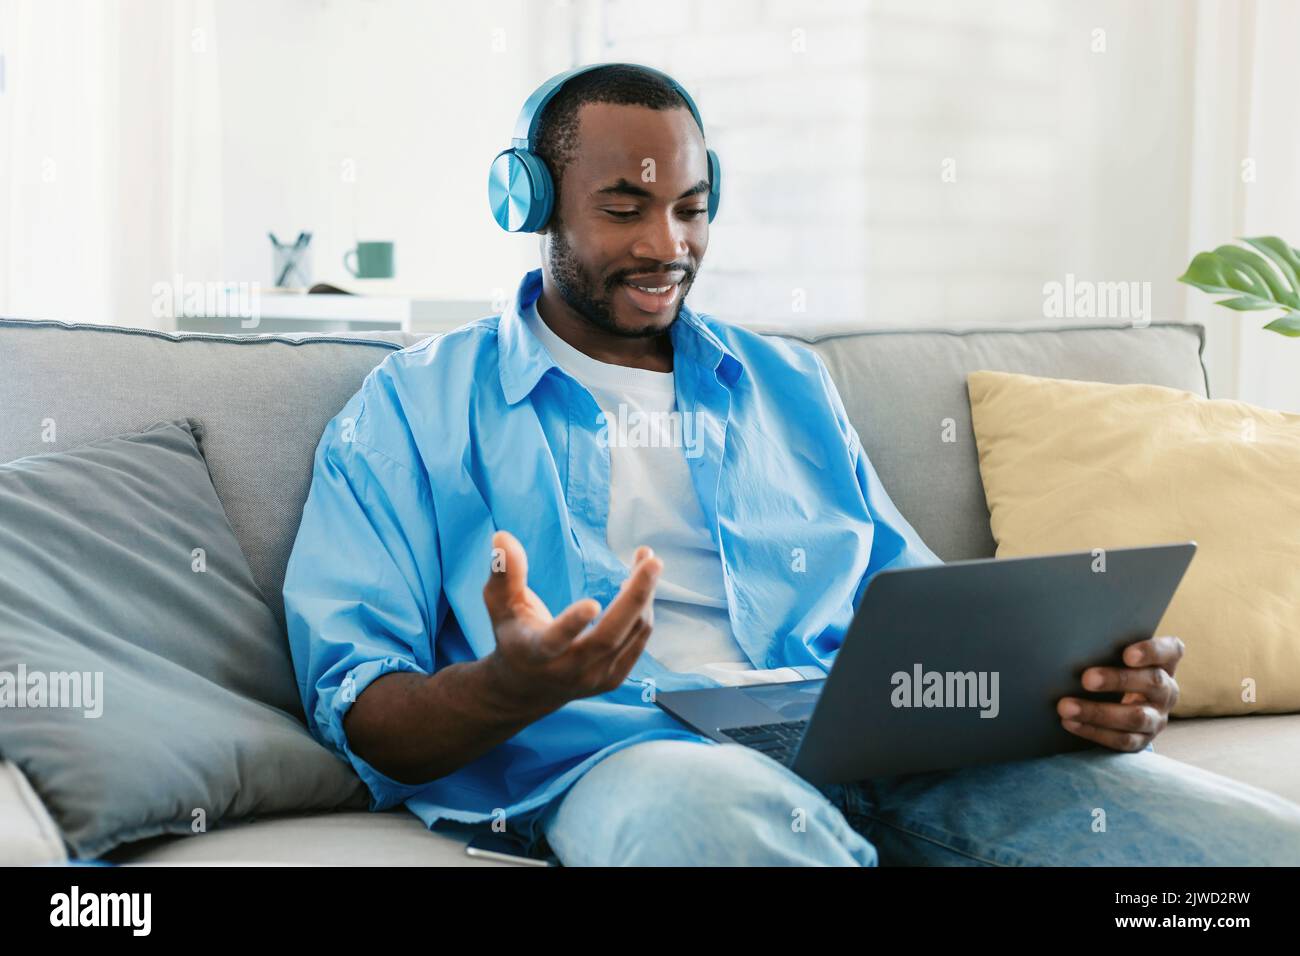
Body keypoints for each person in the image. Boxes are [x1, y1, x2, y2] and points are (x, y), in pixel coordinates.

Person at [282, 63, 1300, 865]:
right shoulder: (412, 408)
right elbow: (364, 708)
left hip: (876, 743)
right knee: (723, 832)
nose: (669, 242)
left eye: (690, 205)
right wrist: (512, 684)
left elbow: (919, 617)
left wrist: (1067, 684)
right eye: (625, 206)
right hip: (623, 757)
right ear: (533, 204)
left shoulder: (786, 385)